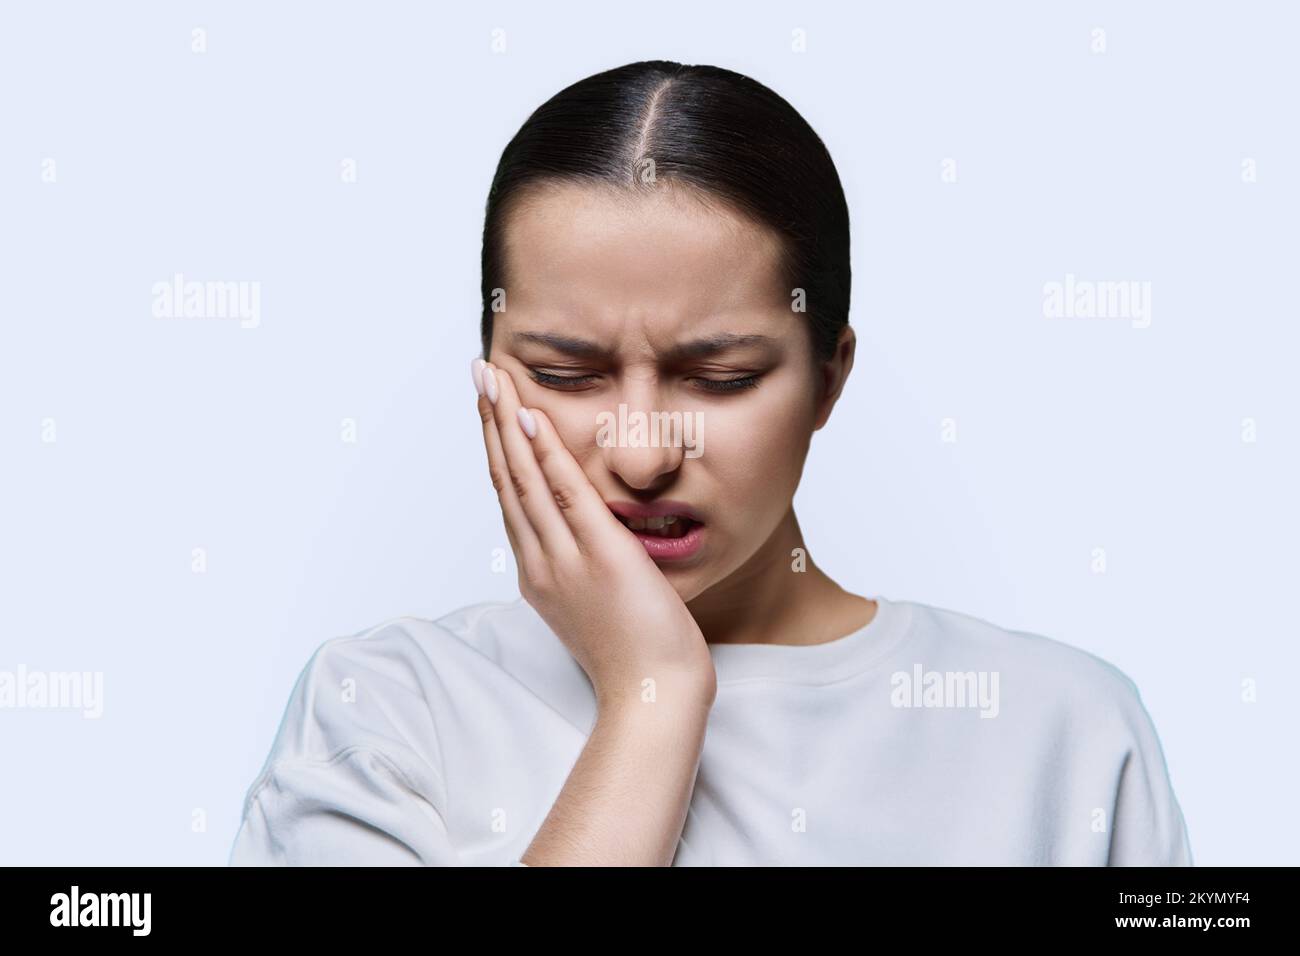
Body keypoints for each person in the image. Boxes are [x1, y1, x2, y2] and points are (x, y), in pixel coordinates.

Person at [229, 60, 1192, 866]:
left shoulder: (1061, 729)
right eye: (565, 373)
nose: (643, 454)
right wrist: (652, 695)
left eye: (720, 378)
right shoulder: (381, 712)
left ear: (827, 377)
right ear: (489, 373)